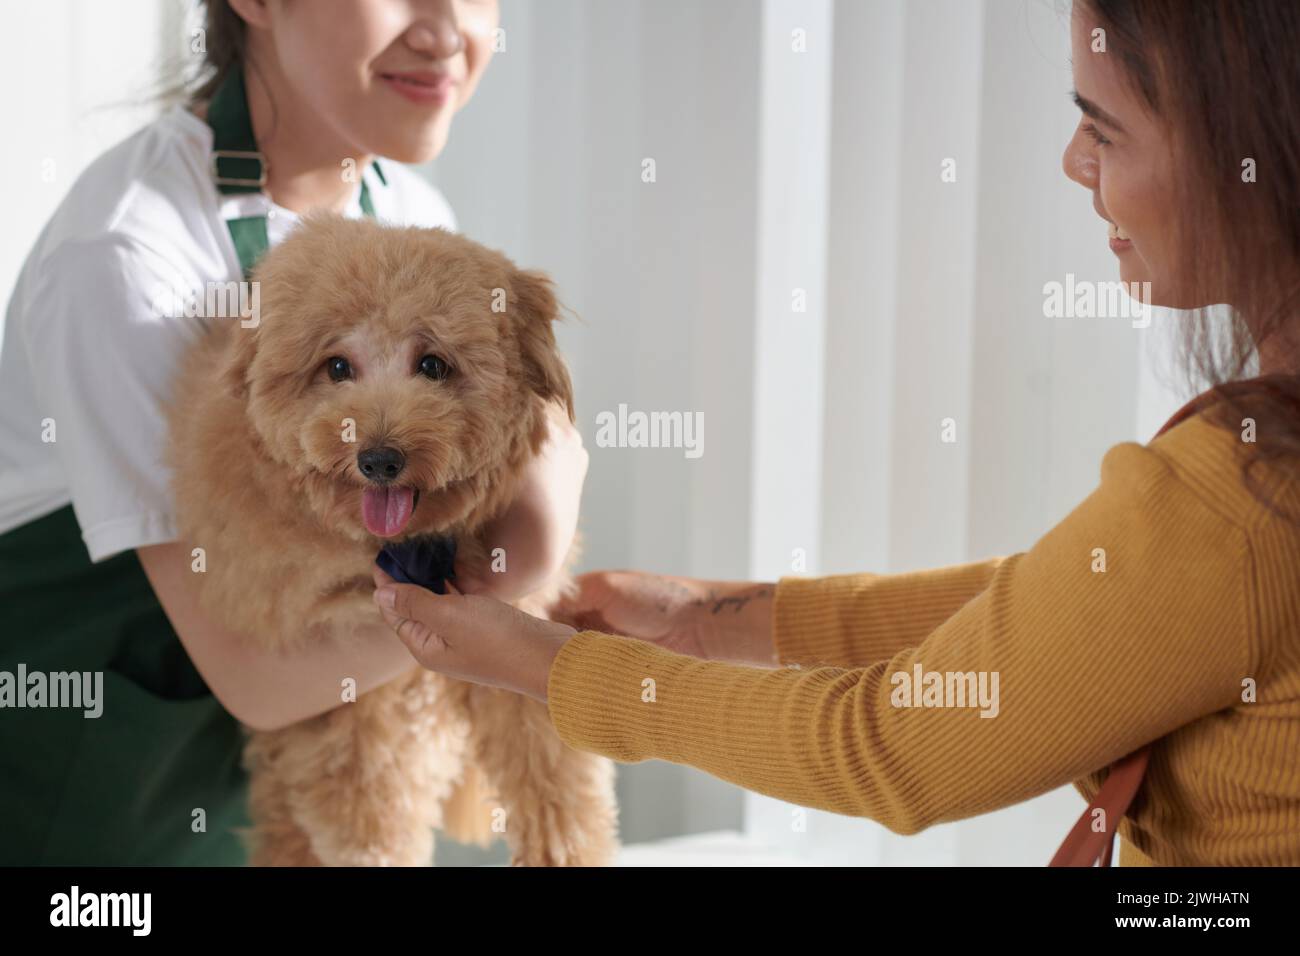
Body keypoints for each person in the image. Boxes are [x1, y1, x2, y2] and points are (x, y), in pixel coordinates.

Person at [370, 0, 1300, 866]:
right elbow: (1066, 615)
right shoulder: (1240, 495)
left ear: (1249, 147)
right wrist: (707, 618)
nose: (1072, 160)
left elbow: (890, 747)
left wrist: (553, 669)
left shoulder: (1241, 497)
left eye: (1103, 128)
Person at [0, 0, 589, 865]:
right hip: (110, 818)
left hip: (294, 815)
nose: (444, 32)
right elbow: (259, 681)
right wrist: (512, 572)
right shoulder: (125, 258)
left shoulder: (404, 205)